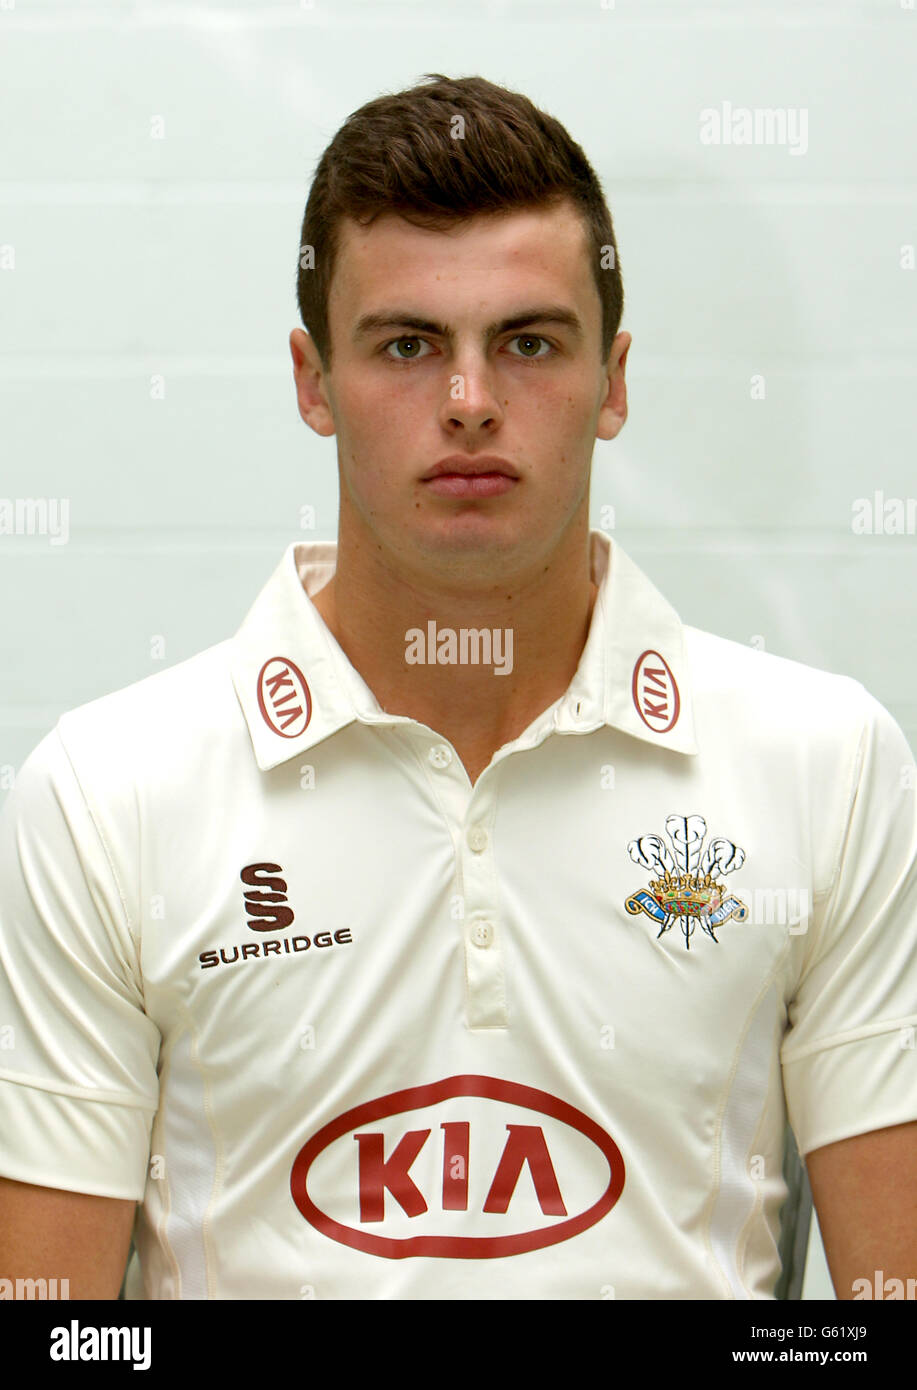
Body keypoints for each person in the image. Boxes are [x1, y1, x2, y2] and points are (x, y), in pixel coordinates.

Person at [0, 73, 915, 1302]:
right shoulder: (107, 792)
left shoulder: (826, 762)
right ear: (312, 381)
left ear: (615, 380)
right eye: (407, 345)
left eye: (528, 343)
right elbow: (53, 1334)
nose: (471, 402)